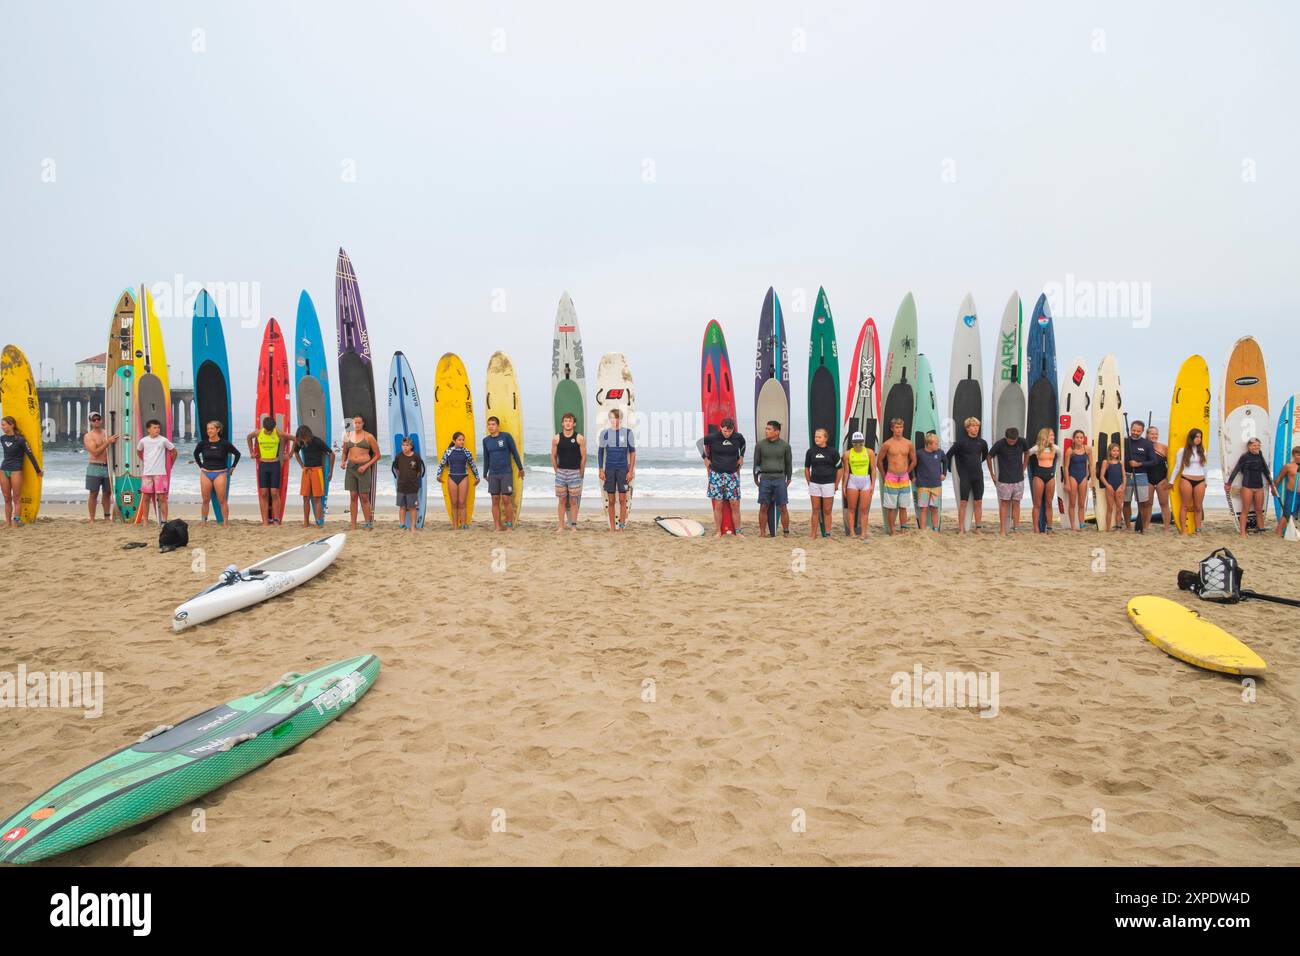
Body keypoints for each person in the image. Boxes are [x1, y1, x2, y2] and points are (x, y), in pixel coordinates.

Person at [699, 416, 744, 536]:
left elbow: (743, 444)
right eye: (725, 431)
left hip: (732, 474)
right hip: (716, 474)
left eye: (730, 431)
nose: (727, 434)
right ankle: (718, 531)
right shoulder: (713, 437)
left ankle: (738, 531)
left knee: (735, 503)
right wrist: (705, 458)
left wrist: (742, 456)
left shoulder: (737, 437)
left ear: (733, 429)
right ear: (721, 428)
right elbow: (699, 443)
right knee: (718, 503)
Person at [246, 415, 293, 526]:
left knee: (274, 492)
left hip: (275, 464)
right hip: (263, 464)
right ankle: (265, 521)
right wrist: (251, 452)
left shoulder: (277, 432)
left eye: (269, 431)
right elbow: (248, 437)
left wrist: (290, 454)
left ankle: (276, 520)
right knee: (263, 493)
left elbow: (294, 438)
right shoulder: (258, 433)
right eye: (267, 431)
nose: (268, 432)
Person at [943, 417, 988, 532]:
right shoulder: (961, 443)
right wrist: (949, 470)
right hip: (965, 476)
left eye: (977, 426)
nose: (976, 428)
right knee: (963, 503)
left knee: (978, 502)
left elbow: (984, 457)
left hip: (978, 476)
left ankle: (978, 528)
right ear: (967, 428)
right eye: (973, 426)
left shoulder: (982, 443)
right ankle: (962, 529)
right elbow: (947, 456)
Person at [1226, 437, 1277, 537]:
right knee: (1245, 509)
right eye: (1254, 445)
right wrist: (1229, 483)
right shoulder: (1245, 457)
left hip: (1259, 487)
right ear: (1249, 447)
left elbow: (1266, 471)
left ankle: (1261, 530)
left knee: (1259, 510)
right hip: (1247, 487)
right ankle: (1242, 532)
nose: (1256, 447)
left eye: (1258, 445)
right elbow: (1236, 470)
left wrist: (1271, 484)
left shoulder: (1260, 455)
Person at [193, 421, 241, 525]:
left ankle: (225, 522)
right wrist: (201, 466)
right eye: (208, 429)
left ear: (218, 430)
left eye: (212, 428)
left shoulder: (224, 443)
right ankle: (203, 521)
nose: (209, 431)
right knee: (205, 500)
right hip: (205, 473)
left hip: (220, 473)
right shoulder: (203, 443)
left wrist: (233, 467)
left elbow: (237, 454)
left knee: (222, 500)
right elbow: (195, 453)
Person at [482, 415, 525, 531]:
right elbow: (486, 457)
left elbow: (514, 453)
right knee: (495, 499)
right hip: (493, 473)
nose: (491, 427)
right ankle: (497, 526)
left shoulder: (506, 437)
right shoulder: (486, 440)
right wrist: (485, 473)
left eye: (493, 424)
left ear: (498, 426)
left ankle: (509, 525)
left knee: (506, 499)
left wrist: (520, 468)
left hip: (506, 472)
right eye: (489, 425)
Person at [1, 415, 43, 528]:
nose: (2, 427)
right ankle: (8, 523)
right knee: (6, 498)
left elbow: (30, 455)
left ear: (11, 425)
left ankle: (16, 522)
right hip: (4, 469)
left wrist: (38, 470)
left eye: (4, 425)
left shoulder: (20, 440)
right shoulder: (2, 438)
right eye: (1, 425)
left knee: (16, 498)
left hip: (16, 470)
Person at [752, 420, 792, 537]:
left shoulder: (785, 445)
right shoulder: (760, 445)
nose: (766, 431)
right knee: (763, 506)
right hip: (765, 478)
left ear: (777, 431)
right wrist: (756, 478)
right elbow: (756, 463)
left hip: (780, 478)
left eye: (769, 429)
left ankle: (786, 532)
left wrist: (789, 477)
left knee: (783, 506)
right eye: (766, 429)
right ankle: (762, 533)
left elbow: (788, 463)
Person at [988, 427, 1029, 536]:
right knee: (1004, 503)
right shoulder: (1000, 444)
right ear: (1006, 438)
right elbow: (989, 456)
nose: (1012, 443)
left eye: (1014, 441)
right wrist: (992, 473)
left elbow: (1027, 453)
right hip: (1004, 480)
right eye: (1010, 441)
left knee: (1017, 503)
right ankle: (1002, 529)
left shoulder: (1022, 442)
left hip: (1018, 479)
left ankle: (1016, 528)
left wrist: (1024, 467)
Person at [135, 418, 177, 525]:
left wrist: (170, 465)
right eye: (154, 427)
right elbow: (139, 451)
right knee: (146, 498)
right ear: (149, 429)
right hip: (147, 472)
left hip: (160, 473)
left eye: (158, 427)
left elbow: (174, 451)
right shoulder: (143, 441)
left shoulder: (163, 440)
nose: (157, 429)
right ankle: (145, 521)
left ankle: (164, 520)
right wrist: (144, 460)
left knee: (162, 497)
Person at [343, 415, 381, 530]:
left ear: (363, 423)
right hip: (351, 469)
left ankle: (368, 523)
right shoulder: (347, 435)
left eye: (359, 422)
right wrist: (343, 462)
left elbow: (377, 455)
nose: (357, 425)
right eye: (355, 423)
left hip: (363, 468)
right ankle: (353, 525)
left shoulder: (369, 437)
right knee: (353, 496)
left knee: (364, 497)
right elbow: (345, 452)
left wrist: (365, 466)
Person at [878, 417, 915, 535]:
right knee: (891, 507)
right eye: (896, 427)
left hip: (904, 478)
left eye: (901, 427)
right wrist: (884, 476)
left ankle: (903, 529)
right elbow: (879, 461)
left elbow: (914, 461)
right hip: (891, 477)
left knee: (903, 506)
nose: (899, 430)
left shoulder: (908, 443)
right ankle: (893, 530)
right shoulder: (887, 444)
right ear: (892, 429)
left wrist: (907, 472)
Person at [293, 424, 334, 528]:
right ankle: (306, 522)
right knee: (305, 498)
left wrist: (330, 471)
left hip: (317, 471)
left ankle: (319, 522)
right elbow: (296, 453)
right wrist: (302, 466)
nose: (302, 440)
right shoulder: (301, 442)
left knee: (317, 498)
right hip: (306, 471)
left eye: (302, 438)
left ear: (306, 435)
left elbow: (331, 454)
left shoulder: (317, 441)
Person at [435, 431, 479, 528]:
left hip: (464, 477)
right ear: (454, 441)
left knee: (462, 502)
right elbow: (442, 464)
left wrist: (477, 477)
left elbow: (472, 465)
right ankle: (455, 525)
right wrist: (438, 475)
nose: (461, 442)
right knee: (454, 503)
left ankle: (463, 524)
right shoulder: (448, 451)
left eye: (463, 440)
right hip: (452, 477)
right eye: (459, 440)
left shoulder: (467, 452)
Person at [550, 413, 586, 532]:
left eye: (570, 421)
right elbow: (553, 456)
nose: (568, 423)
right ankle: (561, 526)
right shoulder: (556, 438)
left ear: (574, 423)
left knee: (573, 501)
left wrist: (580, 472)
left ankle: (573, 525)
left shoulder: (579, 438)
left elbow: (583, 457)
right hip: (561, 473)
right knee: (561, 501)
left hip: (574, 472)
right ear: (562, 423)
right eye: (565, 421)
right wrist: (557, 471)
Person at [82, 411, 120, 521]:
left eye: (98, 419)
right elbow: (95, 452)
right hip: (95, 467)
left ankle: (107, 517)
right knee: (93, 493)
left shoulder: (107, 433)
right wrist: (108, 442)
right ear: (90, 422)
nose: (97, 421)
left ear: (102, 420)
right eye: (94, 420)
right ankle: (92, 519)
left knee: (107, 493)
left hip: (107, 466)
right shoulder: (89, 436)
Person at [804, 427, 841, 538]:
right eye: (815, 436)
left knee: (827, 510)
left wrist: (836, 484)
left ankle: (828, 533)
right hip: (815, 484)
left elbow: (840, 469)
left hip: (829, 484)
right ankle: (813, 534)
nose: (816, 438)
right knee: (815, 510)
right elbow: (806, 468)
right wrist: (809, 482)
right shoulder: (810, 451)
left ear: (825, 438)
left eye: (819, 437)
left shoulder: (833, 451)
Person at [1170, 428, 1208, 535]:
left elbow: (1205, 467)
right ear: (1191, 438)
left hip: (1200, 480)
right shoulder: (1183, 451)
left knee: (1198, 507)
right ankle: (1183, 530)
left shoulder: (1203, 451)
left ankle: (1198, 530)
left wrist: (1206, 481)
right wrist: (1171, 481)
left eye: (1200, 437)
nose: (1198, 439)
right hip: (1186, 479)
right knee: (1185, 505)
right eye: (1196, 437)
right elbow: (1177, 467)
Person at [1123, 420, 1155, 532]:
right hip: (1126, 476)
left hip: (1141, 476)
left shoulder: (1147, 444)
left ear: (1142, 431)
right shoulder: (1124, 442)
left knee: (1143, 503)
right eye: (1133, 430)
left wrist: (1139, 464)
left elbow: (1153, 461)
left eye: (1138, 431)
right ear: (1130, 429)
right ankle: (1127, 526)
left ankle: (1143, 526)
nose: (1135, 432)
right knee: (1126, 501)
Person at [843, 431, 875, 539]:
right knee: (852, 508)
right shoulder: (847, 454)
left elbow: (873, 470)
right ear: (852, 443)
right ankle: (852, 532)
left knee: (864, 509)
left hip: (866, 480)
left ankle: (863, 532)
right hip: (853, 480)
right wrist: (844, 485)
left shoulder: (869, 452)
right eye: (855, 443)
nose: (858, 445)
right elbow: (846, 471)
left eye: (860, 443)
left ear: (863, 442)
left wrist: (873, 485)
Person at [1026, 428, 1060, 533]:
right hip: (1039, 476)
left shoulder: (1055, 448)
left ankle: (1049, 528)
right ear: (1045, 436)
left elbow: (1061, 459)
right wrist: (1023, 467)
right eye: (1051, 435)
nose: (1053, 437)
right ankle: (1036, 528)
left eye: (1053, 435)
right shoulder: (1037, 448)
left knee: (1049, 503)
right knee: (1037, 504)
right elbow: (1027, 454)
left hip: (1050, 476)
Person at [391, 436, 426, 533]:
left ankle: (413, 526)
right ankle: (402, 525)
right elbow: (396, 469)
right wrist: (402, 477)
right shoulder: (398, 456)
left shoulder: (416, 457)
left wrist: (413, 479)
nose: (404, 447)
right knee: (402, 506)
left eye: (407, 445)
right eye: (403, 445)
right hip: (401, 485)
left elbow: (419, 471)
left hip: (412, 486)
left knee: (412, 507)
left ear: (411, 446)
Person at [914, 432, 947, 531]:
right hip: (923, 485)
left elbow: (946, 461)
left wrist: (944, 474)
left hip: (936, 485)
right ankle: (923, 530)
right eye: (936, 443)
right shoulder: (919, 453)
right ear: (929, 444)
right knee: (923, 508)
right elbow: (912, 464)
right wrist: (913, 477)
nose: (938, 445)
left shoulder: (940, 452)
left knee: (934, 508)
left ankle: (935, 529)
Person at [1061, 429, 1091, 531]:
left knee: (1081, 504)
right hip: (1072, 477)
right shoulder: (1070, 451)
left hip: (1083, 477)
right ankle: (1073, 526)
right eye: (1077, 437)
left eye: (1081, 437)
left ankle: (1082, 524)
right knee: (1072, 503)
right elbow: (1065, 467)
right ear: (1073, 439)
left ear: (1084, 439)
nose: (1079, 439)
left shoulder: (1087, 449)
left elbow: (1091, 465)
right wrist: (1067, 482)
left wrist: (1091, 479)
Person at [1146, 425, 1170, 531]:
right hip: (1147, 480)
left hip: (1161, 479)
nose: (1154, 436)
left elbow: (1171, 464)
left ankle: (1166, 527)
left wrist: (1168, 479)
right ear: (1147, 435)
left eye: (1156, 434)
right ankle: (1145, 526)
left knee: (1164, 504)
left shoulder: (1164, 447)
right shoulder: (1143, 446)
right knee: (1148, 504)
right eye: (1151, 433)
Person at [1099, 442, 1126, 531]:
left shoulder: (1121, 462)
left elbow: (1124, 476)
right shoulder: (1106, 462)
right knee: (1110, 508)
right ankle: (1108, 528)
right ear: (1110, 451)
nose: (1116, 453)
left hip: (1119, 487)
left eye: (1117, 451)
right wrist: (1108, 486)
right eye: (1114, 451)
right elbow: (1101, 476)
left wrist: (1123, 486)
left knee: (1119, 508)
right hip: (1110, 486)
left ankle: (1118, 526)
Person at [1275, 446, 1300, 538]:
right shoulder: (1288, 466)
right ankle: (1279, 531)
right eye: (1298, 455)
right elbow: (1279, 478)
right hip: (1292, 493)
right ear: (1294, 455)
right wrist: (1274, 489)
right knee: (1287, 513)